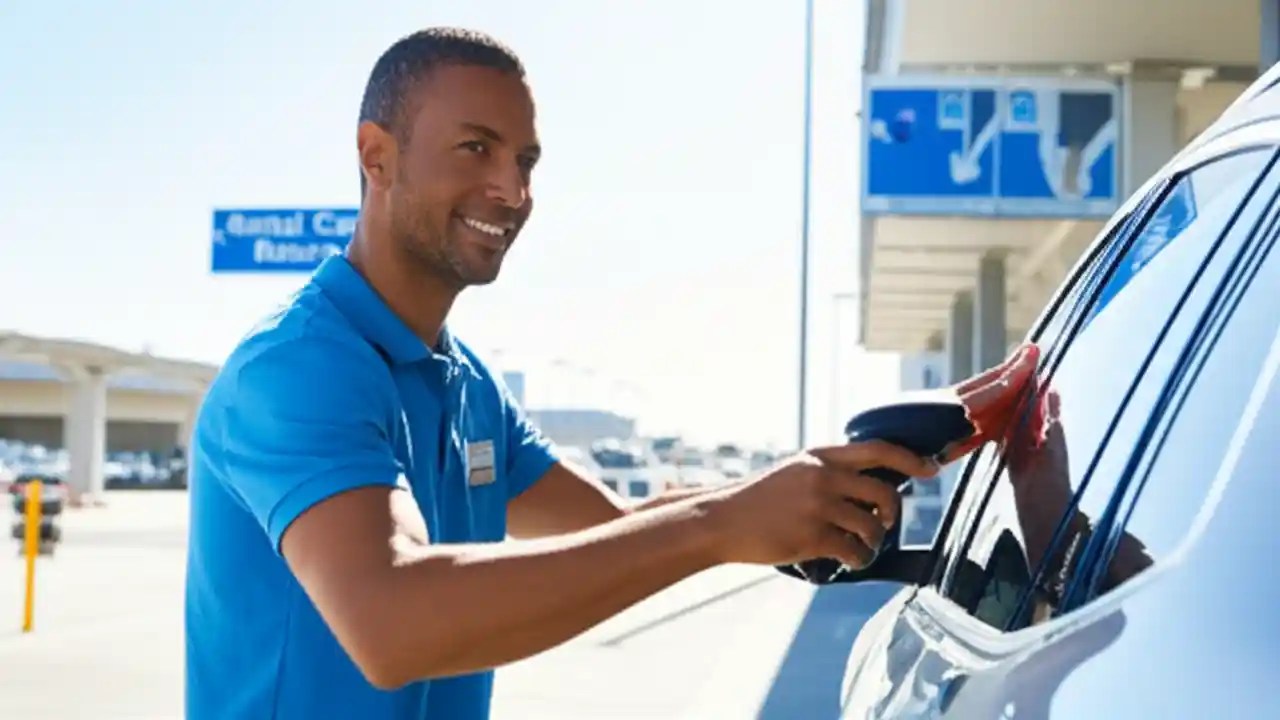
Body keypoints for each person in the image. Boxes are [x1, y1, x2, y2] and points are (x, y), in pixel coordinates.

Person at [183, 26, 1038, 720]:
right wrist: (717, 523)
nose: (510, 189)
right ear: (377, 156)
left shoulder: (466, 382)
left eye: (525, 161)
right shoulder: (296, 370)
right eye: (476, 148)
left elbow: (614, 526)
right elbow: (390, 623)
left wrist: (834, 478)